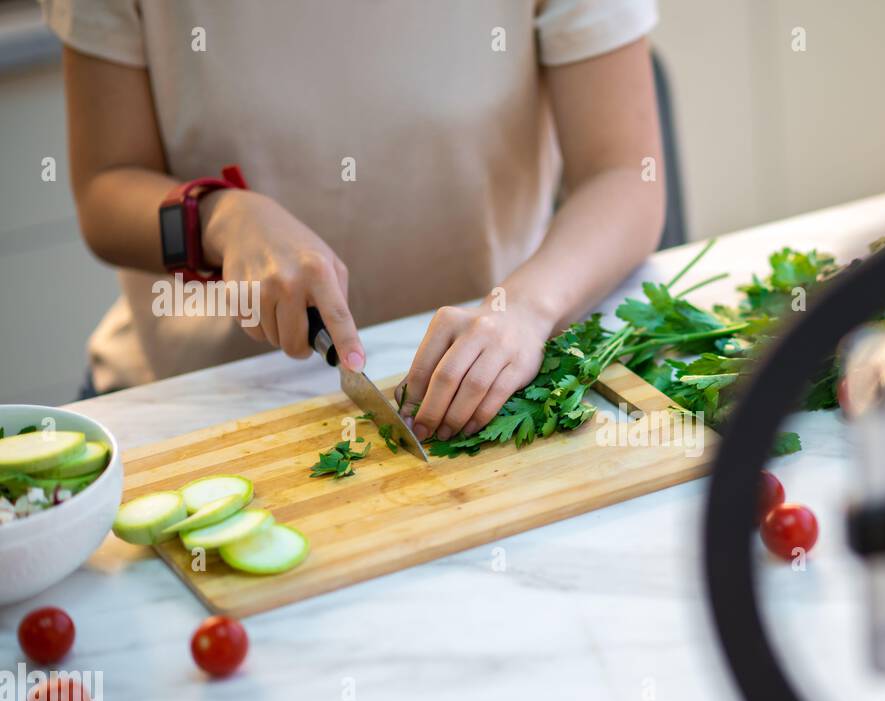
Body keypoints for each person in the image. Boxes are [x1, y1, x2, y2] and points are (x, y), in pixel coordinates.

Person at [45, 0, 665, 442]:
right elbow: (105, 189)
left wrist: (526, 308)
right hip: (190, 405)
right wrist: (220, 217)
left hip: (480, 382)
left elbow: (623, 176)